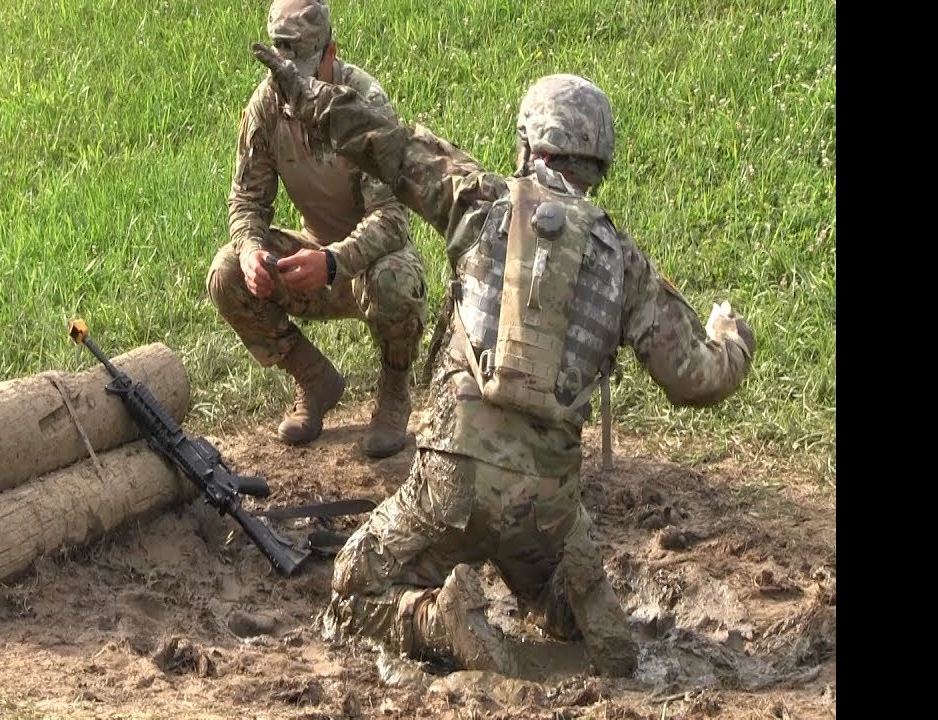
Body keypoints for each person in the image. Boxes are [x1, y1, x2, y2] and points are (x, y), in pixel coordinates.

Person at [249, 43, 757, 678]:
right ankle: (593, 620)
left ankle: (439, 620)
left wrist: (308, 95)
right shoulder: (624, 262)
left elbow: (387, 144)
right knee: (553, 594)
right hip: (545, 503)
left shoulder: (478, 201)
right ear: (597, 162)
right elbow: (697, 379)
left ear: (527, 146)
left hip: (451, 481)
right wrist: (733, 336)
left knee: (354, 587)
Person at [206, 0, 428, 459]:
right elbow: (247, 200)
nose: (293, 86)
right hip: (312, 257)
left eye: (305, 70)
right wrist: (251, 252)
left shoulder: (364, 103)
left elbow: (391, 219)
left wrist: (332, 262)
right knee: (226, 271)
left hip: (368, 261)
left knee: (395, 280)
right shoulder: (267, 104)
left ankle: (394, 389)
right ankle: (314, 379)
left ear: (331, 53)